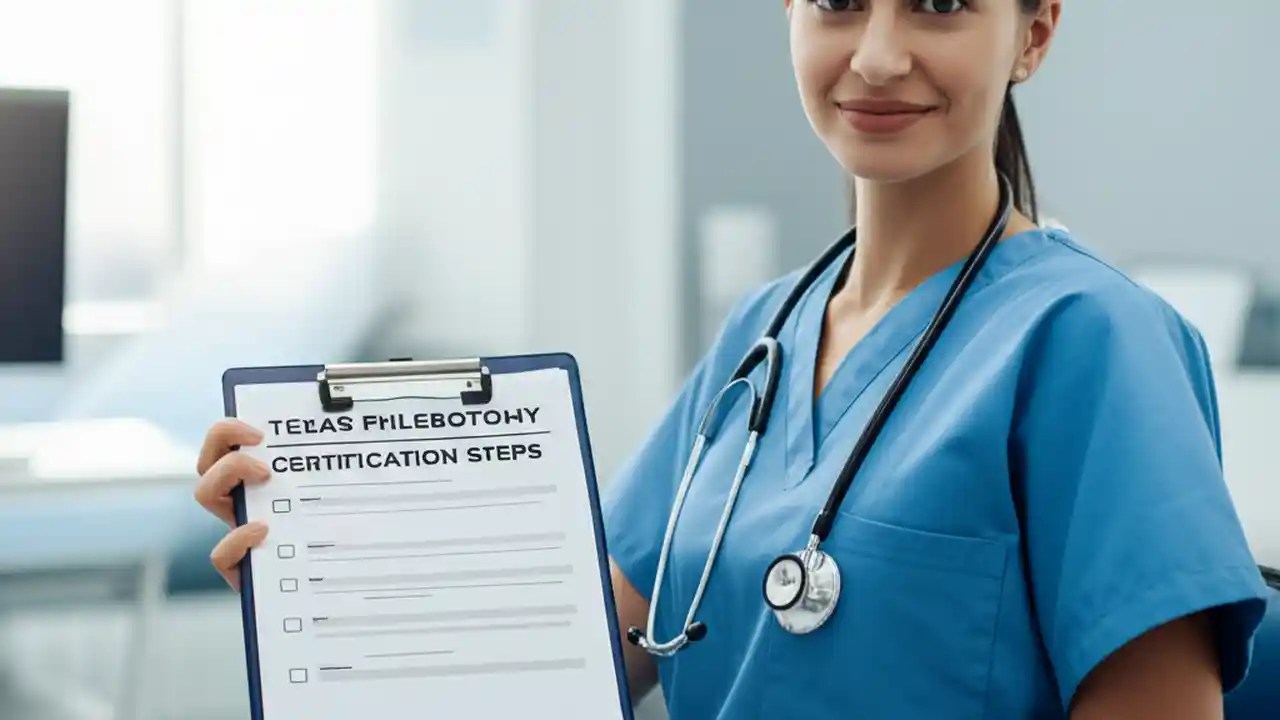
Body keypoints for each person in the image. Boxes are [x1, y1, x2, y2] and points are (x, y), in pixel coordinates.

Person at [194, 0, 1270, 717]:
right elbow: (566, 668)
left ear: (1032, 33)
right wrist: (330, 574)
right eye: (837, 0)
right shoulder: (762, 333)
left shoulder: (1093, 340)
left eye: (939, 2)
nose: (877, 53)